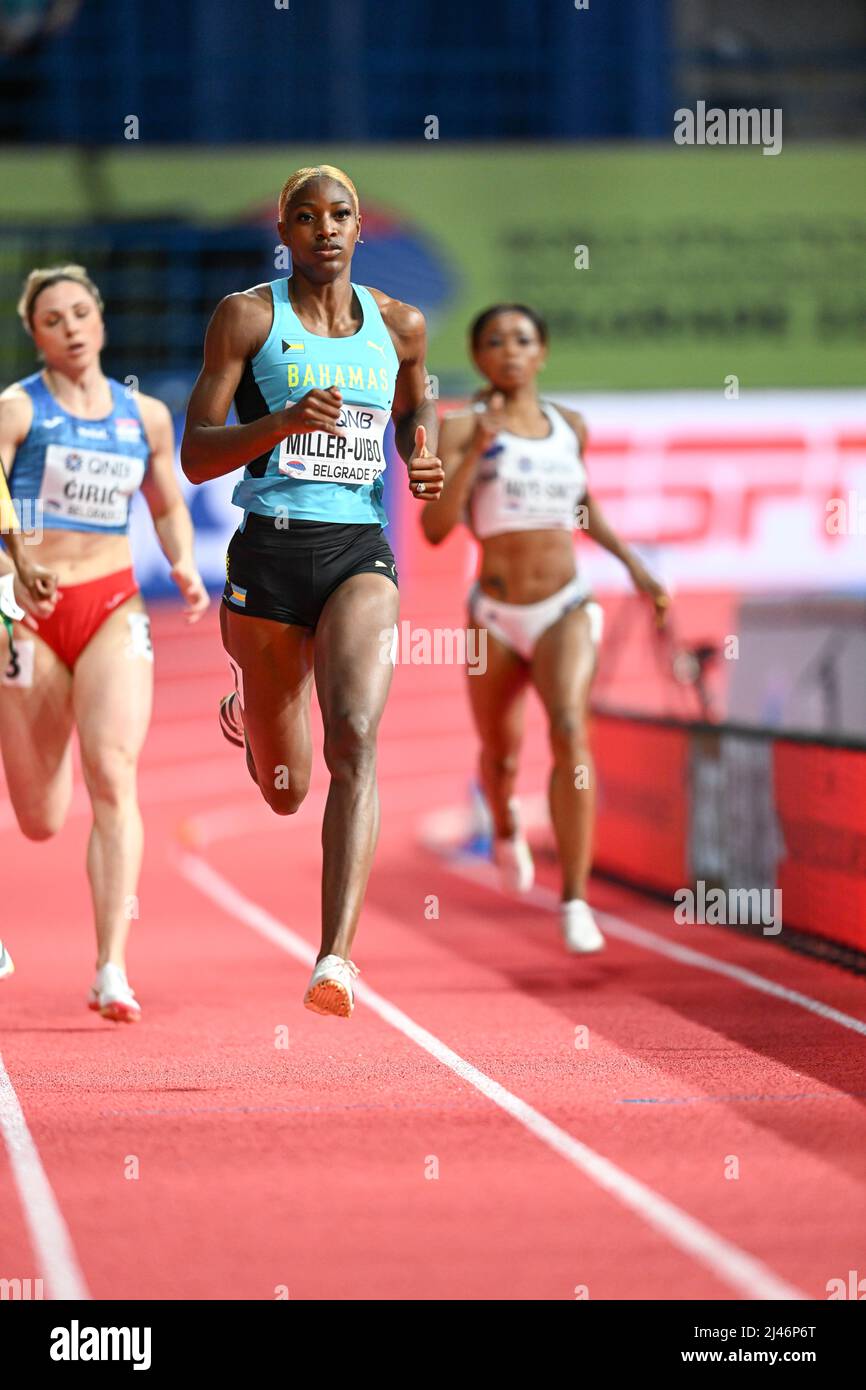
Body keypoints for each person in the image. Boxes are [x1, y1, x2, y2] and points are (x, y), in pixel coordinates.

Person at [181, 164, 444, 1018]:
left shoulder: (401, 326)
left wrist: (423, 452)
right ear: (285, 233)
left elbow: (416, 407)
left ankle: (335, 957)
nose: (324, 229)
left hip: (357, 554)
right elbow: (196, 454)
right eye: (305, 216)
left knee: (357, 737)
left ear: (361, 227)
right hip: (268, 560)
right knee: (287, 788)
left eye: (339, 215)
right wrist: (283, 423)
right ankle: (253, 709)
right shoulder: (248, 318)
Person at [421, 304, 669, 952]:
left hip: (564, 605)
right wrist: (476, 450)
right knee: (499, 755)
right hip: (495, 616)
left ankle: (575, 899)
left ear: (543, 352)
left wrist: (636, 568)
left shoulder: (570, 427)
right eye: (495, 341)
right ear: (478, 358)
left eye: (523, 339)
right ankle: (503, 824)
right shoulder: (461, 427)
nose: (510, 350)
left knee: (567, 727)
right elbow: (436, 528)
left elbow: (584, 506)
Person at [0, 264, 209, 1018]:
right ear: (35, 334)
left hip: (112, 605)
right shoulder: (16, 413)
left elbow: (167, 503)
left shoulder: (146, 416)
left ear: (101, 320)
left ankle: (111, 967)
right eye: (53, 320)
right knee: (39, 817)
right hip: (28, 613)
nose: (71, 328)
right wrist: (12, 569)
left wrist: (182, 560)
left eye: (81, 312)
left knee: (114, 775)